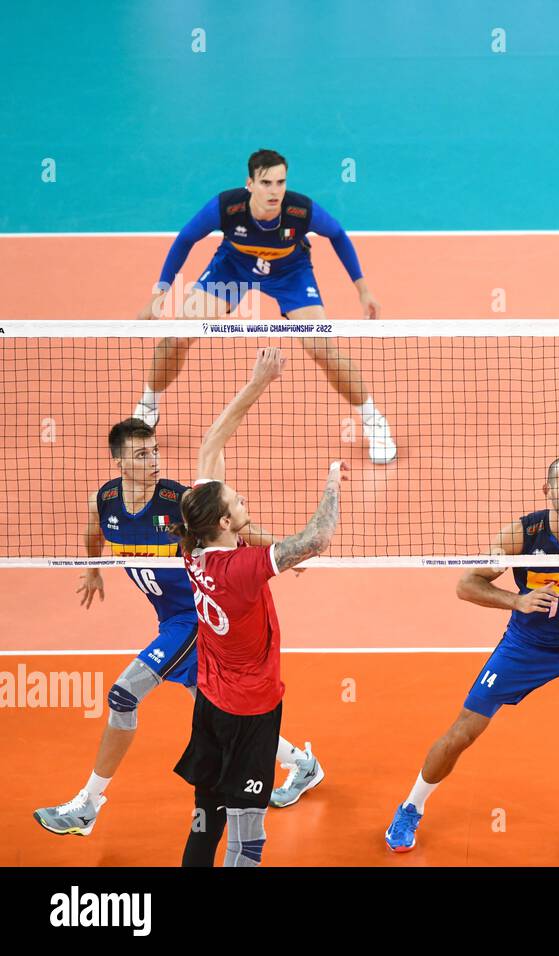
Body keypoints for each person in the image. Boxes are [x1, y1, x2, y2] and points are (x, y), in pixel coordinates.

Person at [32, 416, 319, 835]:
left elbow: (234, 525)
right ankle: (303, 764)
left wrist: (282, 550)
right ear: (119, 463)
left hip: (193, 620)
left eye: (155, 451)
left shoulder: (177, 499)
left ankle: (87, 806)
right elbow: (95, 531)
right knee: (216, 712)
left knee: (123, 695)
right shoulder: (106, 499)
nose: (153, 460)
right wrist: (93, 569)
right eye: (141, 454)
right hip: (168, 619)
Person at [384, 456, 559, 858]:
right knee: (462, 732)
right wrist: (518, 600)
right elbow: (467, 585)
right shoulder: (524, 533)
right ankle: (411, 806)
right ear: (547, 491)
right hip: (526, 647)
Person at [172, 348, 347, 866]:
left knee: (206, 819)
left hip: (210, 700)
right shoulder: (244, 569)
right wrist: (333, 484)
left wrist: (257, 383)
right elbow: (316, 539)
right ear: (224, 524)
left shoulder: (194, 545)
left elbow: (211, 444)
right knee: (249, 839)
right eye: (238, 503)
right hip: (252, 710)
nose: (243, 501)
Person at [132, 148, 396, 464]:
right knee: (178, 336)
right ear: (250, 183)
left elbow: (338, 234)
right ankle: (149, 404)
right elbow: (185, 239)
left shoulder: (300, 211)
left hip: (290, 271)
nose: (275, 191)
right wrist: (160, 292)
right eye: (266, 182)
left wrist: (363, 291)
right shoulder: (226, 207)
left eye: (280, 182)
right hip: (234, 266)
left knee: (322, 348)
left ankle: (373, 420)